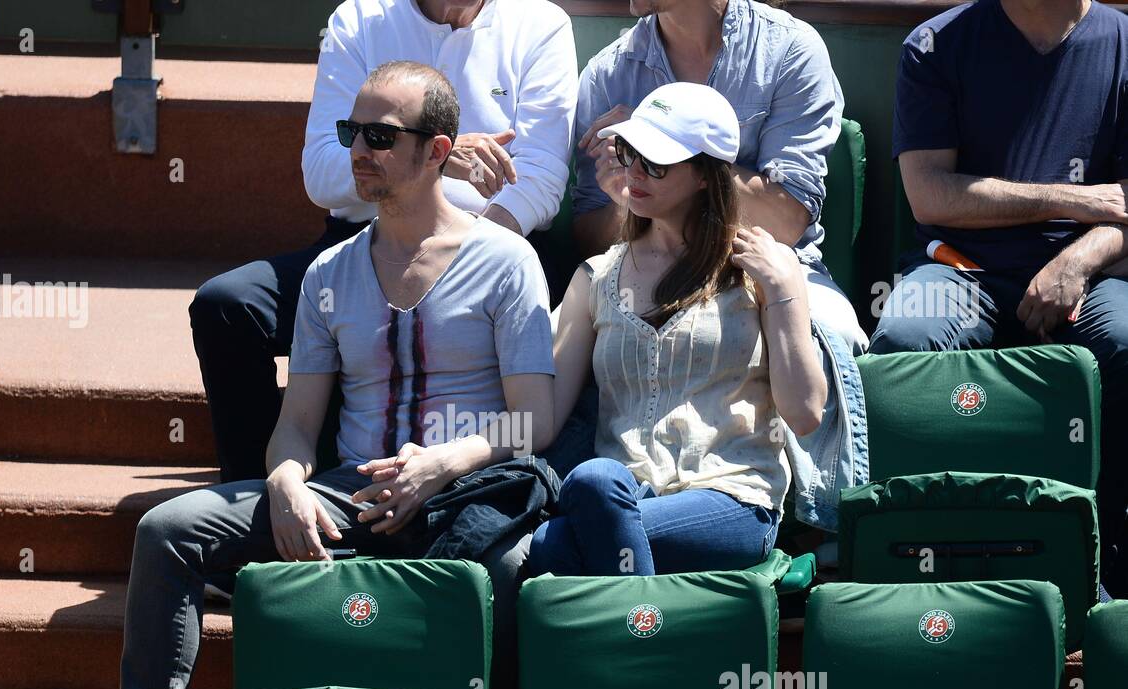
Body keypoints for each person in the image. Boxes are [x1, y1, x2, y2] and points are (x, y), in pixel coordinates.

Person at [20, 62, 556, 689]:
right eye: (351, 134)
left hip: (463, 494)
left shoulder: (506, 261)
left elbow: (530, 419)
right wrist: (284, 480)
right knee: (170, 530)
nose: (359, 152)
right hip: (349, 489)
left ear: (438, 150)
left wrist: (443, 462)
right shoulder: (333, 271)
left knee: (511, 567)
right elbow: (299, 421)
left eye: (380, 136)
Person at [191, 0, 577, 484]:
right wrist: (414, 155)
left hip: (495, 244)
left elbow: (541, 174)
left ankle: (539, 503)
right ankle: (263, 500)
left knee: (580, 304)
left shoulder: (541, 23)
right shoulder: (358, 18)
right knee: (227, 305)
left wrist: (469, 256)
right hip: (363, 242)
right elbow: (322, 170)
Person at [869, 0, 1128, 597]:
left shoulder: (1120, 43)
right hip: (961, 269)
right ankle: (915, 567)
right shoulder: (935, 44)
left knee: (1122, 344)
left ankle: (1101, 577)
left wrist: (1077, 259)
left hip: (1091, 270)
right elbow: (931, 195)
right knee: (903, 339)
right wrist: (1073, 199)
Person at [529, 82, 827, 578]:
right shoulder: (596, 278)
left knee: (556, 545)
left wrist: (782, 291)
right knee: (595, 482)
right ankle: (647, 632)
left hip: (730, 497)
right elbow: (544, 417)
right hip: (622, 494)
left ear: (707, 176)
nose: (634, 174)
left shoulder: (764, 269)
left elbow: (805, 414)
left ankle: (634, 626)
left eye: (656, 163)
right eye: (628, 154)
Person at [571, 0, 867, 356]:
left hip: (763, 264)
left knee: (835, 335)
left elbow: (785, 223)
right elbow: (590, 240)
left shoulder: (790, 49)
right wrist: (630, 196)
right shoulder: (606, 72)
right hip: (642, 264)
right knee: (550, 340)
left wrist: (663, 138)